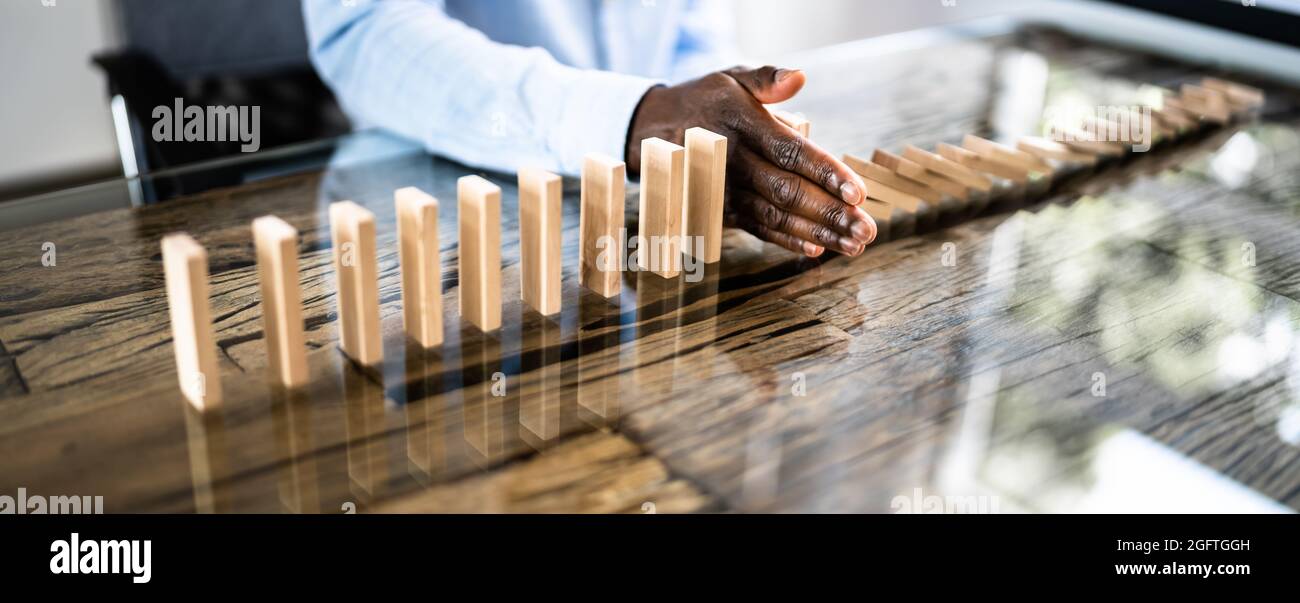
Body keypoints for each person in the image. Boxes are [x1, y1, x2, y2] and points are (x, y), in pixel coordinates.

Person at [303, 0, 875, 257]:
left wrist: (727, 115)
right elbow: (364, 31)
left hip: (634, 213)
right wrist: (631, 117)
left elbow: (690, 36)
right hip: (433, 196)